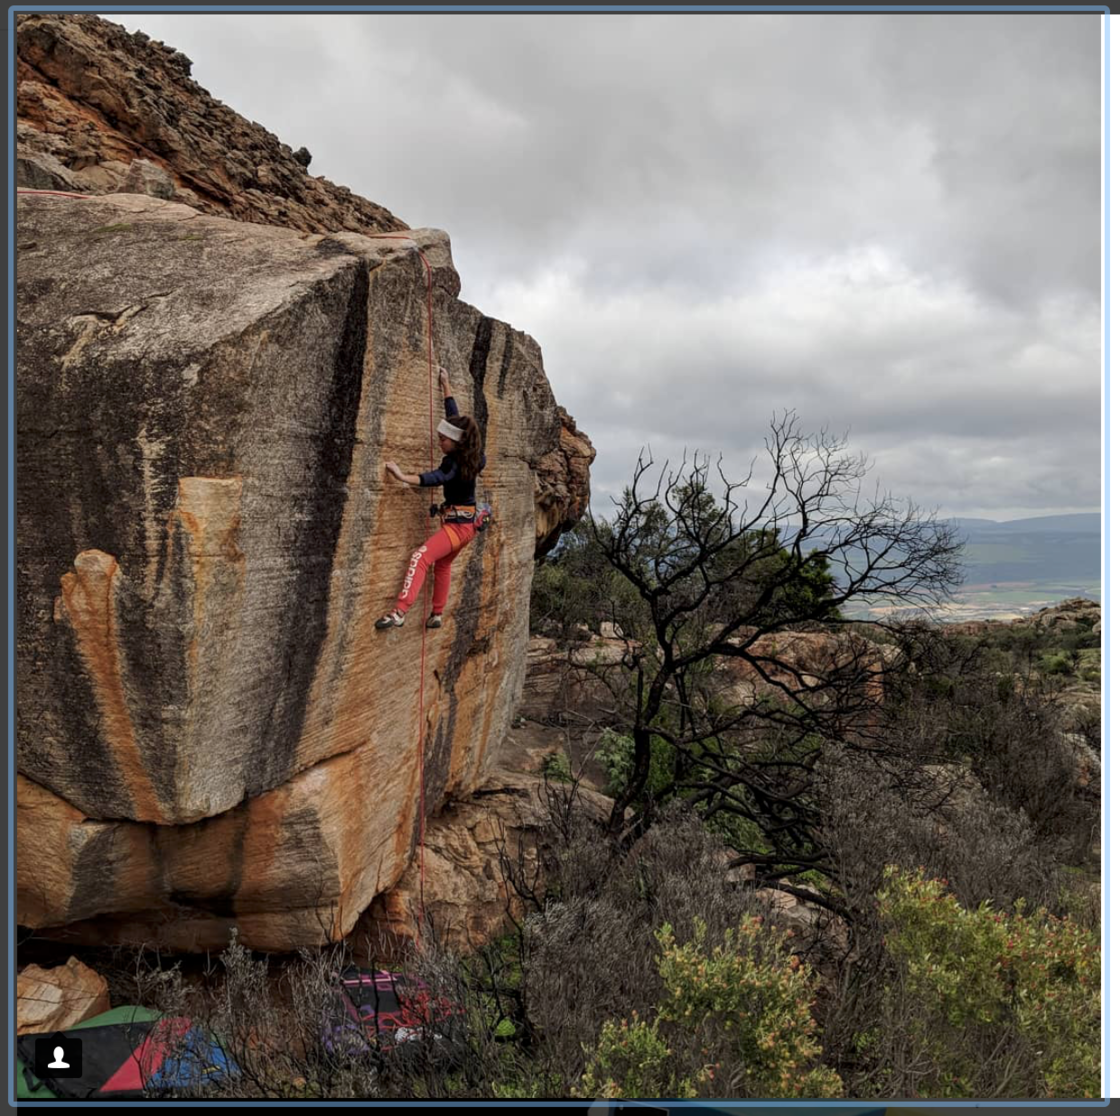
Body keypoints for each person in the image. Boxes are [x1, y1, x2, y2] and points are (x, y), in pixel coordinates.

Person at [375, 366, 487, 630]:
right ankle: (437, 614)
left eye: (443, 440)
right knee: (444, 565)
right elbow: (454, 417)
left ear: (456, 443)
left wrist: (403, 476)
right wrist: (446, 385)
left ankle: (399, 613)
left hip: (458, 527)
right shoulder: (472, 456)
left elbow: (435, 478)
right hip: (468, 525)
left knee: (420, 557)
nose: (439, 441)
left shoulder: (454, 466)